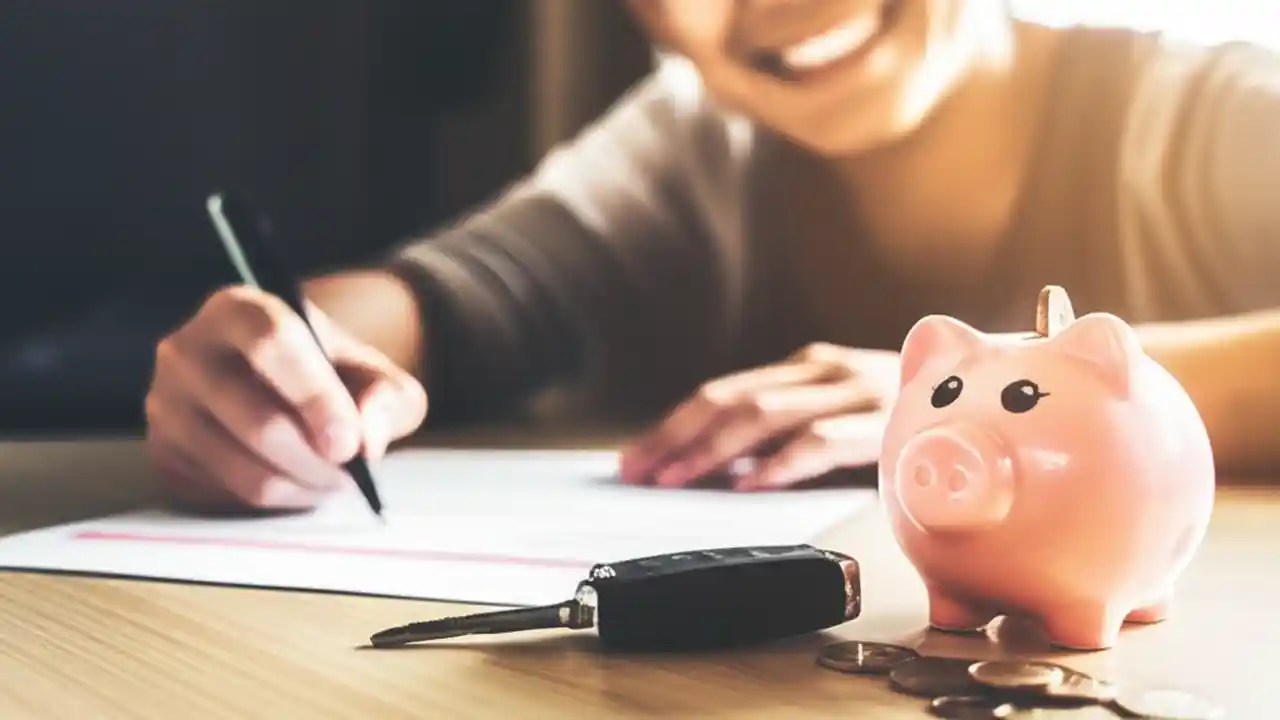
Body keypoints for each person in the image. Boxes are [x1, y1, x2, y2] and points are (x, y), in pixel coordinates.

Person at [145, 0, 1280, 510]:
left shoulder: (1204, 115)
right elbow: (453, 296)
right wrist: (281, 364)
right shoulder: (694, 144)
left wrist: (986, 398)